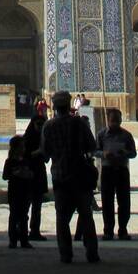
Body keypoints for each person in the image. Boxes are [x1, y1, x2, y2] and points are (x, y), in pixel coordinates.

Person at [41, 90, 99, 264]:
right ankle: (92, 253)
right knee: (86, 215)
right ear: (69, 105)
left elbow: (45, 154)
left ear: (54, 106)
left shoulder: (49, 126)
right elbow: (91, 145)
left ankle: (65, 254)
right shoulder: (79, 124)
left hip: (60, 175)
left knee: (62, 217)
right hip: (80, 174)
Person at [96, 107, 136, 240]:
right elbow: (95, 150)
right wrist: (104, 154)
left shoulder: (126, 135)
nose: (114, 123)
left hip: (121, 170)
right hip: (107, 170)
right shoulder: (101, 135)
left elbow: (133, 153)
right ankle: (108, 230)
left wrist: (125, 153)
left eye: (117, 120)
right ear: (108, 120)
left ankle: (123, 229)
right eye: (112, 120)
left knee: (124, 201)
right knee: (107, 202)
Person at [2, 135, 35, 248]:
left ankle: (24, 240)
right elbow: (5, 176)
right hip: (15, 192)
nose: (23, 149)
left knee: (24, 216)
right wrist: (15, 173)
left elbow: (32, 174)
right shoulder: (10, 161)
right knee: (14, 216)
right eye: (21, 146)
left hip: (25, 192)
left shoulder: (26, 161)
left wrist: (28, 174)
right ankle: (13, 240)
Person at [22, 110, 49, 241]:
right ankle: (21, 230)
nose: (39, 127)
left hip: (39, 173)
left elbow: (46, 158)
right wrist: (37, 152)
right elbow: (23, 156)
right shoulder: (26, 139)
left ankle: (34, 231)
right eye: (38, 124)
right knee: (25, 205)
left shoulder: (43, 139)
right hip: (28, 174)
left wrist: (43, 152)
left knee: (37, 206)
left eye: (42, 124)